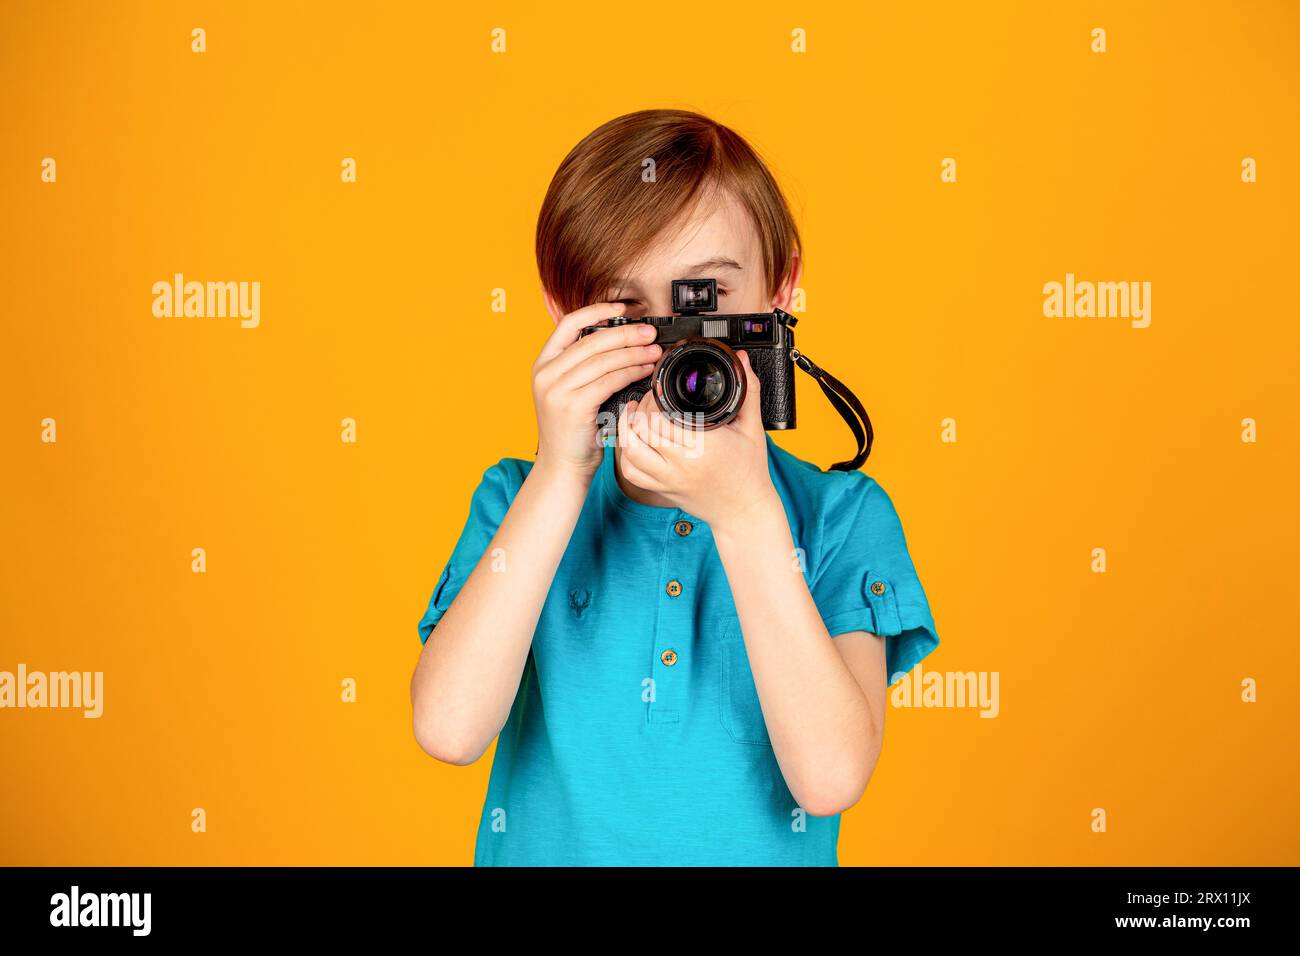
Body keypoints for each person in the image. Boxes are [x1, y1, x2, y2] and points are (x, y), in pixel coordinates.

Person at [409, 109, 940, 866]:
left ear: (781, 292)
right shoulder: (519, 501)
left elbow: (829, 779)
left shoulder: (840, 519)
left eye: (706, 302)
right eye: (627, 312)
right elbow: (448, 730)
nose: (673, 347)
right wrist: (562, 473)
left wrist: (749, 515)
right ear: (566, 317)